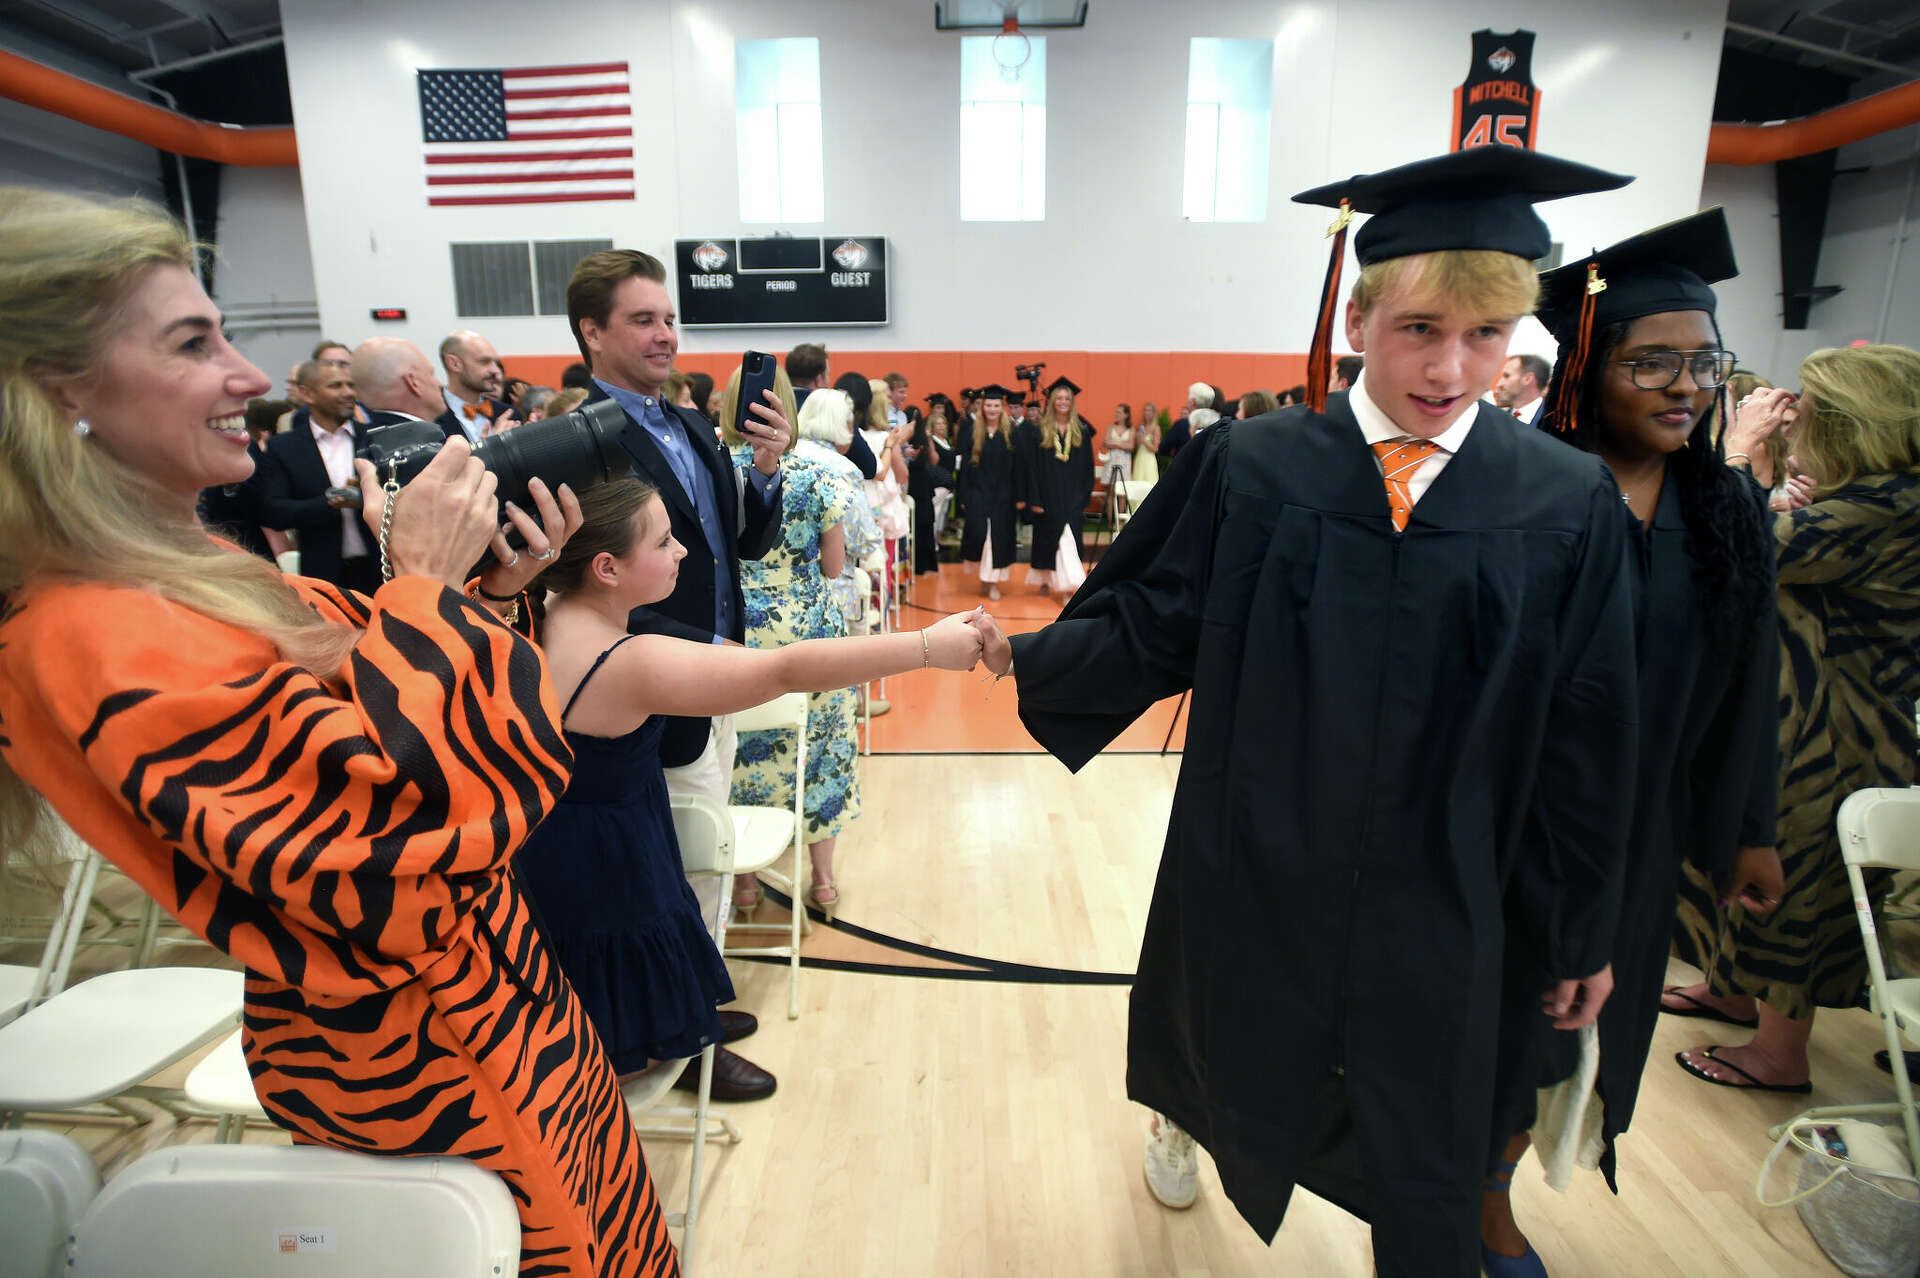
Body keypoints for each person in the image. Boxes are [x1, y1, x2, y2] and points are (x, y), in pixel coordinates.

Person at [971, 146, 1638, 1277]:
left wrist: (1584, 927)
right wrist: (1026, 657)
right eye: (1422, 327)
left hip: (1452, 874)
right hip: (1264, 849)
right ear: (1360, 318)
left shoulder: (1562, 501)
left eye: (1486, 336)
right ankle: (1181, 1120)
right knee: (1228, 1043)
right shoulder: (1254, 466)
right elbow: (1153, 618)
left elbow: (1588, 731)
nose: (1452, 364)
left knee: (1431, 1135)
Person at [0, 187, 678, 1274]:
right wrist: (424, 584)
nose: (252, 377)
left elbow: (379, 681)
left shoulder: (178, 578)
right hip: (421, 1045)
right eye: (193, 343)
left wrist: (489, 590)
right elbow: (382, 847)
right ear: (56, 393)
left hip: (493, 1010)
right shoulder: (86, 634)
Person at [1480, 209, 1783, 1276]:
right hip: (1503, 825)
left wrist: (1750, 828)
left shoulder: (1727, 512)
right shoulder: (1509, 497)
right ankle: (1445, 1195)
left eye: (1705, 362)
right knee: (1485, 1026)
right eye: (1652, 361)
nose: (1684, 386)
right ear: (1586, 371)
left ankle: (1492, 1198)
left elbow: (1751, 686)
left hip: (1635, 839)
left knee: (1571, 1041)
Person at [515, 476, 982, 1082]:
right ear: (606, 567)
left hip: (575, 843)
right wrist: (924, 646)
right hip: (610, 861)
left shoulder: (545, 609)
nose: (683, 550)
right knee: (616, 1023)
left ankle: (668, 1033)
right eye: (663, 543)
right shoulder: (626, 662)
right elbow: (784, 670)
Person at [568, 248, 792, 1101]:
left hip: (714, 668)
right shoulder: (581, 440)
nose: (665, 334)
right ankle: (688, 1039)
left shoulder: (694, 424)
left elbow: (738, 543)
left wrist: (765, 468)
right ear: (593, 331)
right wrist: (669, 659)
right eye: (643, 319)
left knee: (702, 851)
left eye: (668, 318)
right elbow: (586, 575)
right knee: (666, 867)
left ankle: (694, 995)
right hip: (643, 687)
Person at [1669, 342, 1920, 1093]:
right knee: (1742, 860)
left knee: (1796, 887)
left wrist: (1741, 454)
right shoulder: (1876, 499)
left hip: (1836, 731)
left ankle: (1779, 1057)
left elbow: (1726, 551)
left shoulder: (1883, 507)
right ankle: (1730, 990)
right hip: (1809, 714)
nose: (1792, 422)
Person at [722, 377, 864, 920]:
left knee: (742, 752)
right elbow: (833, 567)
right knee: (822, 752)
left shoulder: (715, 469)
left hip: (738, 630)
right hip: (809, 629)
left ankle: (747, 886)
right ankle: (823, 882)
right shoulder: (817, 473)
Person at [257, 359, 379, 594]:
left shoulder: (374, 439)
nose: (348, 393)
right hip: (323, 575)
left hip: (380, 572)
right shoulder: (284, 447)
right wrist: (328, 503)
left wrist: (362, 500)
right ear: (308, 393)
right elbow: (273, 512)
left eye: (350, 385)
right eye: (336, 386)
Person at [1023, 376, 1095, 597]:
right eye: (1059, 398)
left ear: (1072, 402)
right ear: (1052, 401)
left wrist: (1084, 496)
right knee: (1046, 538)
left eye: (1067, 398)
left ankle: (1068, 587)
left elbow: (1088, 468)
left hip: (1072, 496)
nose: (1063, 402)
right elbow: (1032, 469)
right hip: (1048, 495)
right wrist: (1034, 499)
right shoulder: (1040, 432)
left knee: (1069, 538)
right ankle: (1045, 580)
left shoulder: (1081, 431)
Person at [959, 384, 1019, 601]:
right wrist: (963, 496)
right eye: (989, 405)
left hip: (1004, 495)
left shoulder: (1011, 432)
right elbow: (965, 467)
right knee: (980, 535)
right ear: (982, 407)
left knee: (997, 537)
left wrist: (1019, 496)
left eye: (996, 405)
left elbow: (1019, 467)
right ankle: (985, 577)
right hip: (978, 493)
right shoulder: (972, 431)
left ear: (1002, 408)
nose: (992, 409)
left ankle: (992, 582)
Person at [908, 400, 957, 573]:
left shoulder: (947, 441)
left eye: (944, 423)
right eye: (938, 423)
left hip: (943, 482)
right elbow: (934, 460)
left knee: (939, 515)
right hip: (933, 482)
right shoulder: (930, 440)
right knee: (933, 515)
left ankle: (936, 541)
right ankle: (934, 544)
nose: (942, 426)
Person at [438, 328, 512, 440]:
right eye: (484, 362)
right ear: (454, 364)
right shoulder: (428, 420)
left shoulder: (508, 414)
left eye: (495, 363)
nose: (495, 370)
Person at [1494, 353, 1552, 427]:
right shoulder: (1499, 418)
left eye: (1507, 376)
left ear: (1528, 379)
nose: (1499, 384)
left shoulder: (1554, 425)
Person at [1105, 403, 1135, 482]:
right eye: (1116, 412)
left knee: (1123, 487)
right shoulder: (1111, 427)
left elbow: (1131, 446)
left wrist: (1115, 443)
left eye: (1119, 412)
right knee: (1110, 486)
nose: (1116, 414)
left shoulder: (1131, 429)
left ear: (1126, 415)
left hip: (1124, 460)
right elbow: (1106, 443)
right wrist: (1123, 444)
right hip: (1112, 459)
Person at [1133, 402, 1161, 482]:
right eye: (1145, 410)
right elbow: (1137, 446)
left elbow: (1155, 449)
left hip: (1149, 459)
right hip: (1140, 457)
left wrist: (1144, 441)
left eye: (1149, 411)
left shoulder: (1156, 428)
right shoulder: (1141, 426)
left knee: (1149, 482)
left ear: (1153, 413)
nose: (1146, 413)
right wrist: (1138, 438)